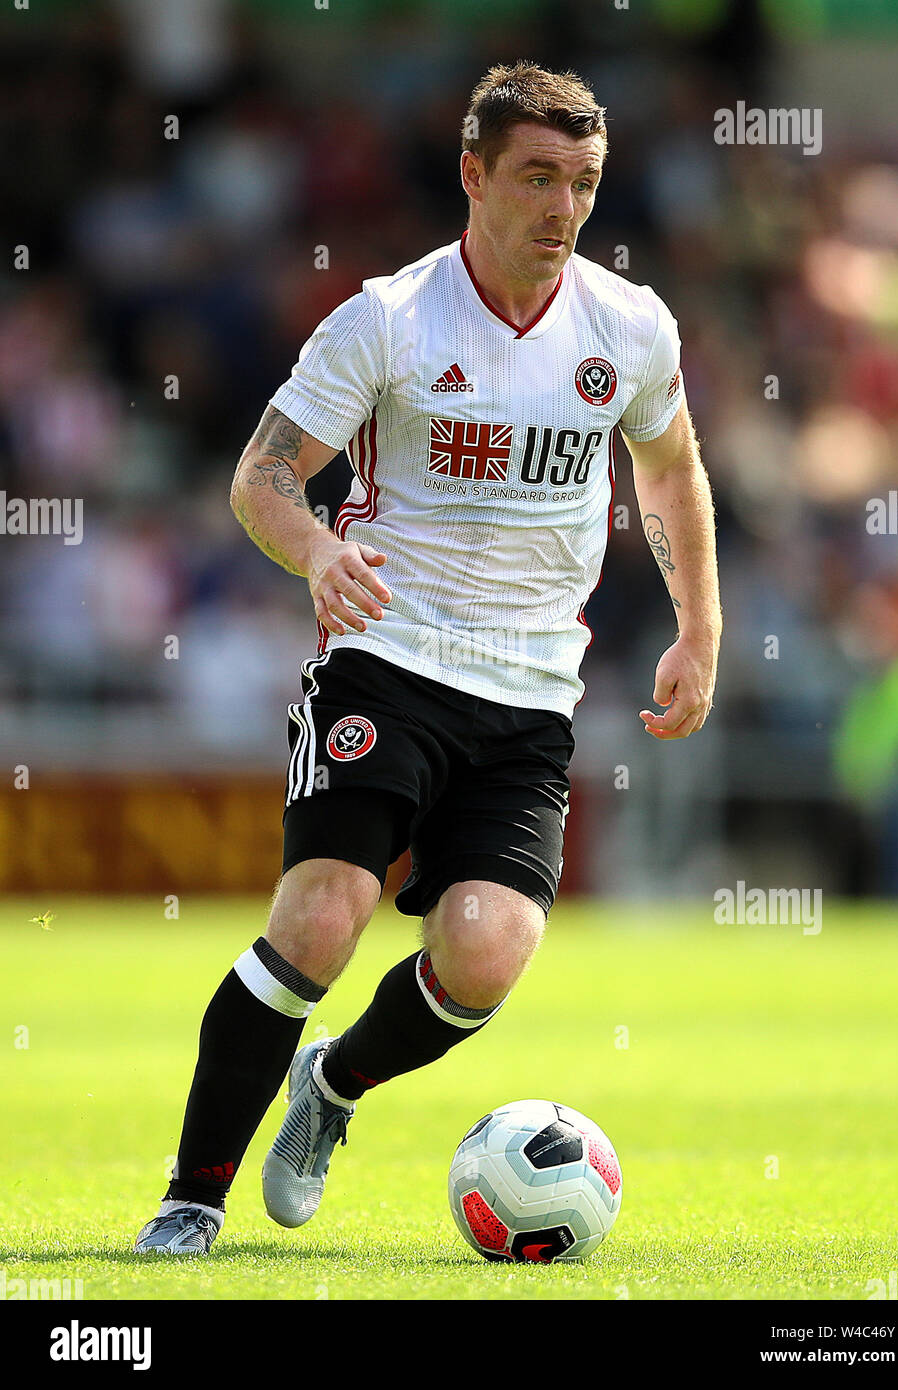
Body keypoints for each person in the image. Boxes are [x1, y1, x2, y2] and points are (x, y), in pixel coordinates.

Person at [135, 61, 721, 1255]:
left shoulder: (629, 325)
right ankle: (189, 1202)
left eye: (586, 184)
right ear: (473, 176)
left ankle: (332, 1088)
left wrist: (701, 625)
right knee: (323, 917)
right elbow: (261, 476)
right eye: (538, 178)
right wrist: (313, 551)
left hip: (529, 694)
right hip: (386, 660)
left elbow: (668, 469)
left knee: (488, 953)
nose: (563, 210)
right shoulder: (388, 320)